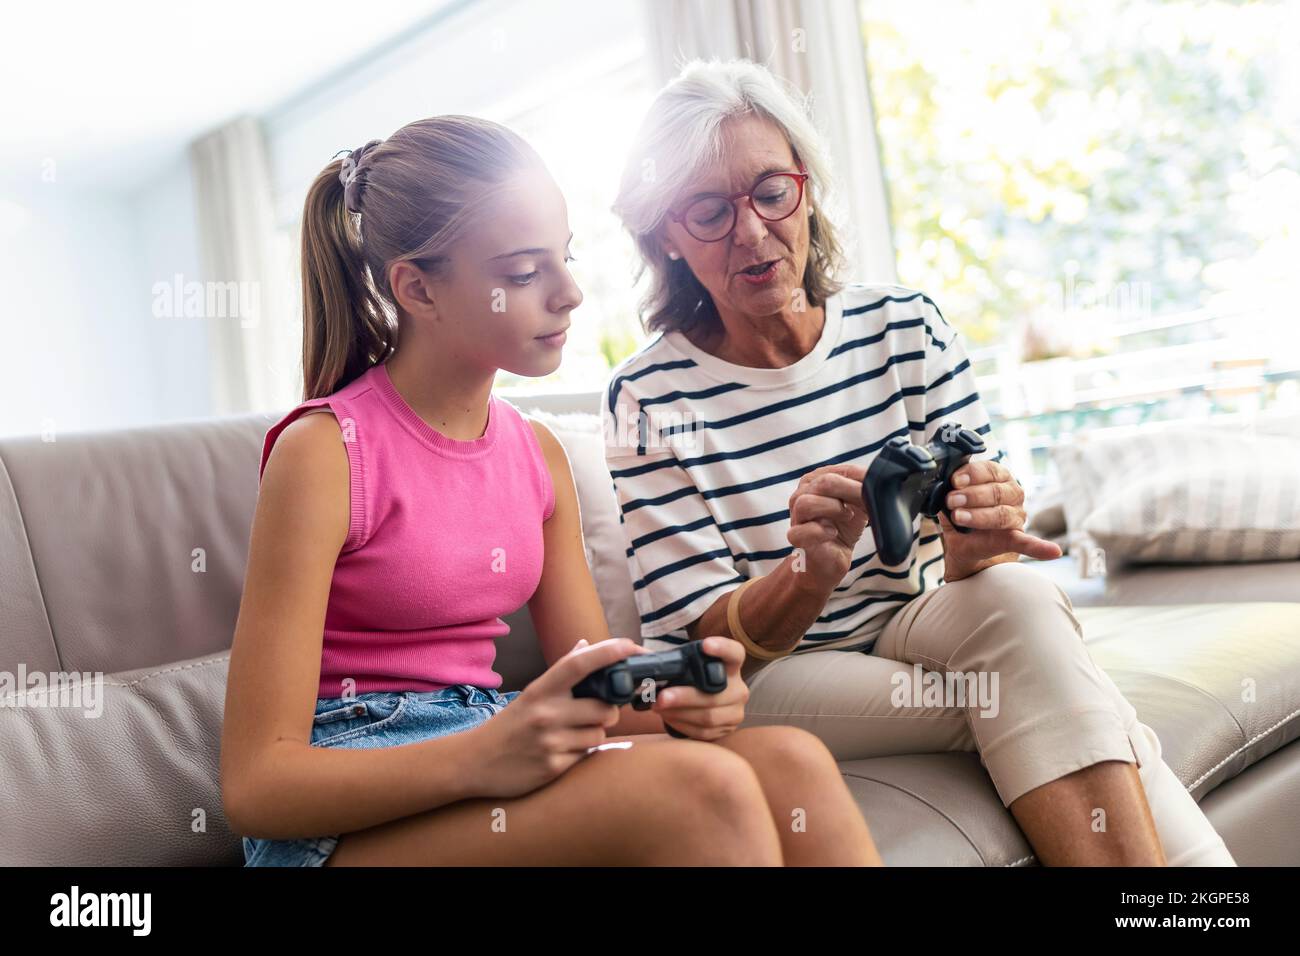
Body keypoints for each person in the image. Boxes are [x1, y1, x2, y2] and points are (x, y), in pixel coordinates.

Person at [604, 58, 1235, 866]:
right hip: (779, 674)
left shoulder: (905, 326)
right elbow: (706, 644)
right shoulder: (648, 396)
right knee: (1051, 687)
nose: (753, 232)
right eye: (707, 211)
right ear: (665, 234)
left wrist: (983, 535)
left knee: (1019, 600)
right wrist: (808, 570)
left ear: (806, 188)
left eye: (771, 192)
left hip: (914, 626)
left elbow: (979, 567)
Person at [220, 114, 882, 866]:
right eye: (523, 273)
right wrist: (481, 756)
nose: (569, 293)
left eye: (563, 260)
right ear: (417, 289)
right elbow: (255, 787)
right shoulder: (323, 454)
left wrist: (675, 703)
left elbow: (599, 688)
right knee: (700, 789)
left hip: (482, 749)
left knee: (793, 764)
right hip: (339, 826)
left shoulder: (537, 456)